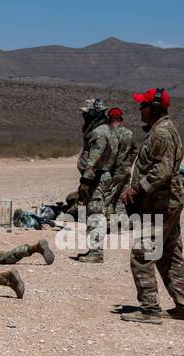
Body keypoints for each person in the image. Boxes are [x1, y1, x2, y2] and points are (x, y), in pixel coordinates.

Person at [119, 87, 184, 324]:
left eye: (142, 105)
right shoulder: (162, 130)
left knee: (142, 253)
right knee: (169, 254)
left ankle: (150, 309)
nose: (139, 109)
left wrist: (136, 188)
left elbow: (161, 171)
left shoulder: (161, 133)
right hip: (164, 204)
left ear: (153, 109)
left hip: (159, 206)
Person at [75, 99, 117, 263]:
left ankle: (96, 252)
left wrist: (86, 180)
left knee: (95, 213)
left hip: (96, 177)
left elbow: (94, 159)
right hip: (96, 177)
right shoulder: (100, 130)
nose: (84, 115)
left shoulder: (99, 132)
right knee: (94, 212)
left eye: (87, 113)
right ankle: (94, 250)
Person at [108, 108, 137, 215]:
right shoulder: (129, 133)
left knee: (109, 196)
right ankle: (122, 217)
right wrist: (129, 162)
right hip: (125, 169)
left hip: (112, 171)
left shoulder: (109, 134)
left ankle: (110, 218)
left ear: (109, 119)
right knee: (122, 196)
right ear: (121, 118)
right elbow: (135, 149)